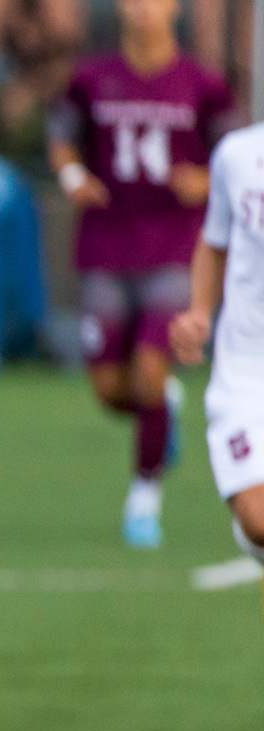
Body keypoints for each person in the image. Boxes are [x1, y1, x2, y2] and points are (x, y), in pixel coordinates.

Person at [48, 0, 234, 549]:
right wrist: (74, 176)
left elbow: (237, 156)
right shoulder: (91, 78)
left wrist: (205, 182)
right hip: (106, 245)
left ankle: (143, 497)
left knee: (150, 369)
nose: (144, 8)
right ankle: (163, 413)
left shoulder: (203, 83)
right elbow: (61, 140)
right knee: (110, 389)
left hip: (177, 248)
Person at [169, 118, 264, 593]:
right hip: (248, 369)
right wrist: (200, 312)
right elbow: (215, 240)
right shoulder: (238, 155)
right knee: (260, 522)